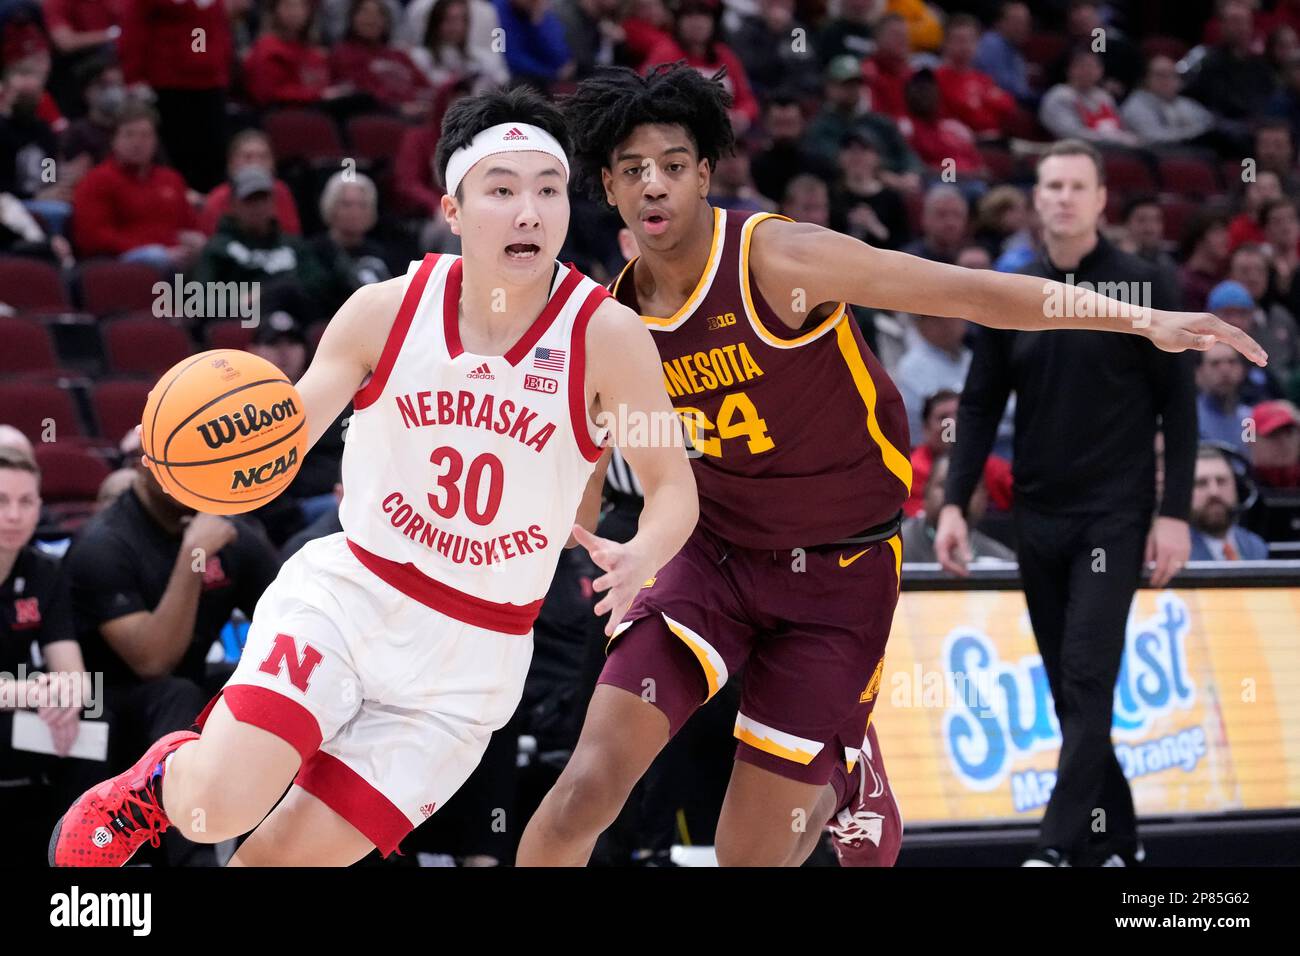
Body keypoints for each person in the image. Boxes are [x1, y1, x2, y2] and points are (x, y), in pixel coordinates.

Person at [516, 66, 1264, 869]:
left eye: (671, 164)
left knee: (748, 856)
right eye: (632, 171)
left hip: (840, 576)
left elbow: (970, 293)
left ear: (705, 174)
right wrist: (580, 549)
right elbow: (585, 467)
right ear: (607, 188)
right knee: (583, 790)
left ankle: (849, 773)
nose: (652, 185)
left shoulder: (779, 259)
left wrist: (1140, 318)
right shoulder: (613, 321)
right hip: (713, 557)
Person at [49, 84, 697, 867]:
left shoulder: (608, 334)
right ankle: (161, 782)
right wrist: (214, 457)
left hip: (472, 660)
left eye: (548, 190)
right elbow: (283, 439)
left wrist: (645, 552)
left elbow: (672, 487)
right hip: (351, 600)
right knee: (216, 808)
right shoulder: (385, 311)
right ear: (453, 211)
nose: (530, 212)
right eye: (502, 190)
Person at [937, 139, 1210, 868]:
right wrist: (955, 503)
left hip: (1115, 514)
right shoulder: (1009, 291)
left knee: (1088, 675)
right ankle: (1118, 839)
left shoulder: (1144, 285)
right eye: (1050, 184)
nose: (1060, 196)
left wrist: (1174, 512)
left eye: (1075, 185)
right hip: (1037, 514)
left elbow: (1179, 412)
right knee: (1070, 689)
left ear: (1099, 200)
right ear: (1038, 198)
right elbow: (979, 404)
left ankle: (1056, 848)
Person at [59, 438, 281, 865]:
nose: (191, 479)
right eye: (177, 467)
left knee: (267, 687)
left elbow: (291, 612)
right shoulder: (104, 543)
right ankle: (193, 859)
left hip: (187, 687)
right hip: (104, 702)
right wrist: (194, 554)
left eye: (199, 466)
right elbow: (153, 662)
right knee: (175, 692)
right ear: (145, 466)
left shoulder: (227, 528)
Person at [0, 448, 87, 866]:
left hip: (18, 706)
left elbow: (75, 673)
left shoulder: (43, 572)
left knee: (93, 718)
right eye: (1, 501)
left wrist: (65, 695)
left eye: (25, 501)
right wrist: (34, 692)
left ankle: (76, 855)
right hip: (15, 699)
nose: (14, 515)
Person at [901, 455, 1015, 564]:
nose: (955, 496)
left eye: (969, 488)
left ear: (985, 498)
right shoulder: (891, 547)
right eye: (944, 485)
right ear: (925, 492)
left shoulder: (1003, 561)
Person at [1188, 444, 1269, 559]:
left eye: (1221, 481)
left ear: (1237, 487)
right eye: (1201, 483)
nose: (1214, 492)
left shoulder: (1255, 546)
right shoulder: (1173, 551)